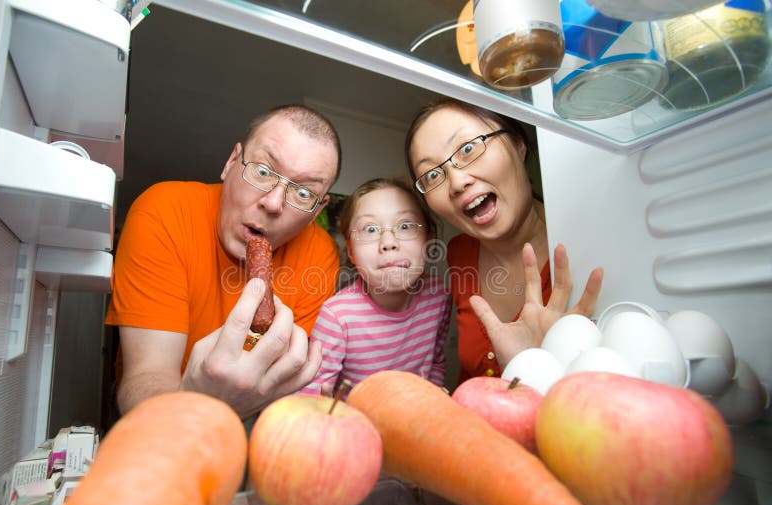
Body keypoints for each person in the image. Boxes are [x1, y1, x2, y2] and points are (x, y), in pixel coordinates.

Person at [105, 104, 342, 419]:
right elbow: (146, 376)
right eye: (263, 171)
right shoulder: (163, 212)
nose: (272, 203)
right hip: (155, 428)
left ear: (317, 210)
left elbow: (281, 384)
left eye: (302, 193)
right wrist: (199, 405)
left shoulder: (320, 253)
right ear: (232, 162)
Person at [405, 97, 603, 384]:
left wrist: (540, 367)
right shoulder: (458, 254)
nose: (457, 182)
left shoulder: (592, 244)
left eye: (468, 149)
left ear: (518, 144)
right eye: (433, 174)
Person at [302, 178, 452, 395]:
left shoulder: (439, 296)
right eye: (370, 229)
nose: (388, 242)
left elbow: (436, 362)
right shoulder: (337, 317)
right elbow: (310, 394)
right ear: (351, 250)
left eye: (405, 226)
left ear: (429, 240)